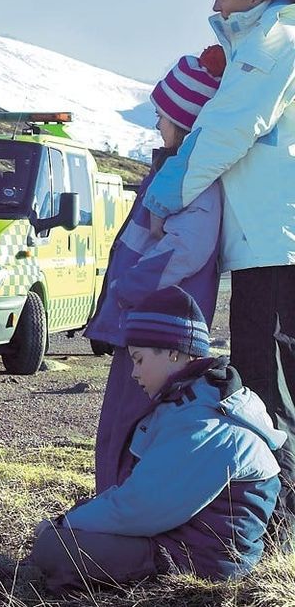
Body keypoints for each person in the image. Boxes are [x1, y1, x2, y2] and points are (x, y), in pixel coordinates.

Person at [142, 0, 295, 541]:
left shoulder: (272, 40)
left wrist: (167, 192)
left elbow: (230, 127)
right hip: (275, 235)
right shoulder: (266, 36)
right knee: (273, 372)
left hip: (276, 240)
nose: (217, 4)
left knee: (269, 378)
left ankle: (278, 520)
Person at [32, 286, 286, 595]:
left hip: (198, 564)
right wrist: (78, 517)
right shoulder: (198, 403)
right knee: (68, 536)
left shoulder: (205, 423)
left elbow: (139, 508)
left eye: (138, 360)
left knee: (52, 547)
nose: (134, 374)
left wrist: (66, 523)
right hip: (183, 546)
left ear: (173, 352)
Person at [85, 48, 224, 491]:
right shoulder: (175, 172)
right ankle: (110, 511)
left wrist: (127, 290)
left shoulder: (192, 175)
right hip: (148, 323)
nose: (155, 123)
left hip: (157, 325)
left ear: (184, 123)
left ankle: (117, 517)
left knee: (133, 428)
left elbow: (186, 247)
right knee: (121, 427)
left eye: (162, 115)